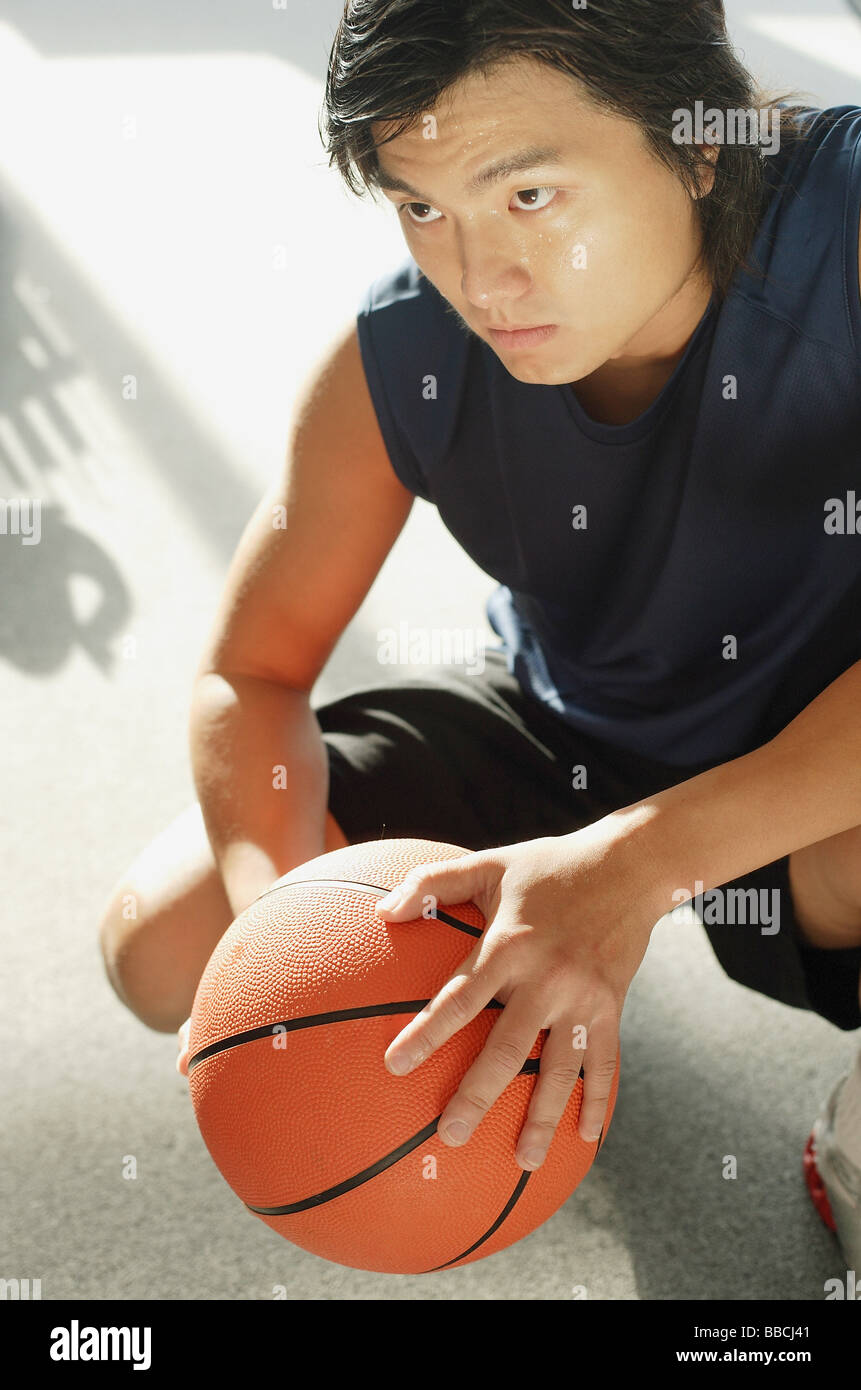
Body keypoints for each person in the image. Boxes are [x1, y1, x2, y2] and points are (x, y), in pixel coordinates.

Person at [99, 0, 861, 1273]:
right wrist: (293, 931)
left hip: (815, 766)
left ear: (698, 143)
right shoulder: (404, 348)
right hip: (572, 723)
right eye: (421, 206)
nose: (479, 277)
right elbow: (255, 668)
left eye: (530, 198)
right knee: (168, 942)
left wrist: (630, 872)